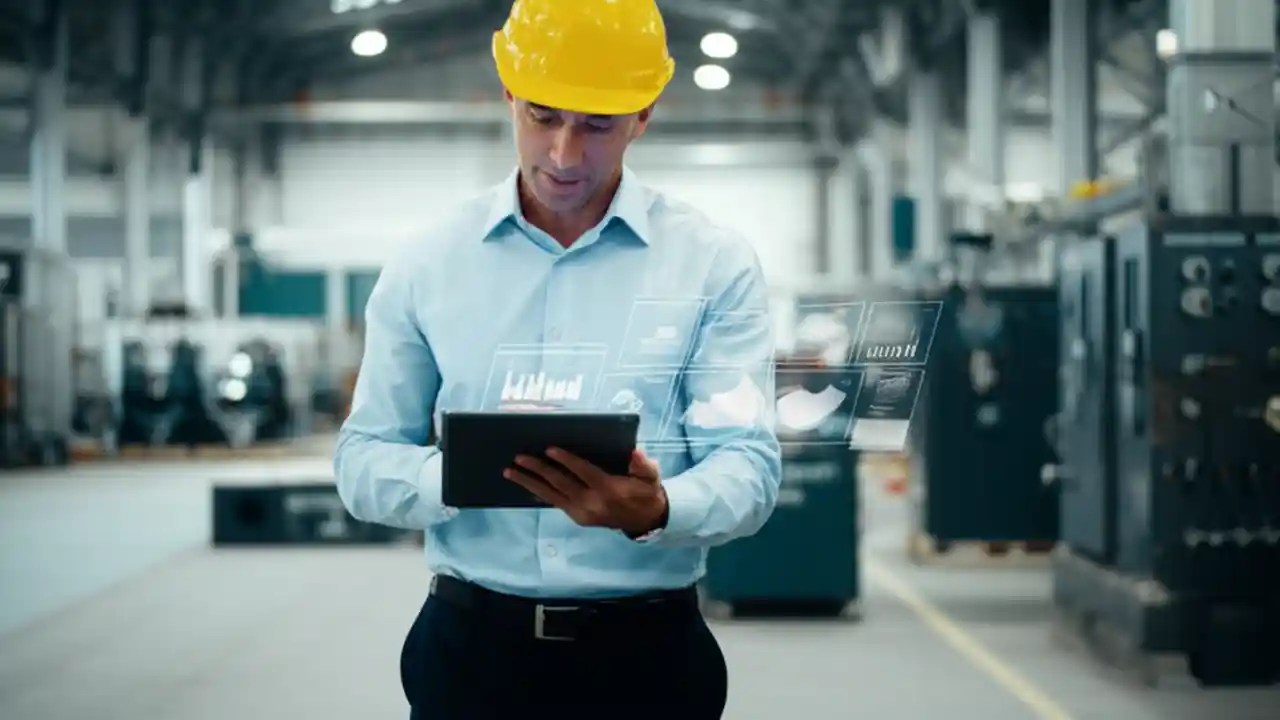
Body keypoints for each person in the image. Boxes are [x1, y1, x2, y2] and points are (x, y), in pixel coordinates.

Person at [333, 0, 782, 716]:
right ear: (508, 93)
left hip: (649, 666)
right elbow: (362, 461)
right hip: (470, 659)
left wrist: (658, 506)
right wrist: (463, 475)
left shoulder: (712, 266)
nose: (565, 155)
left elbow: (749, 467)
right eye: (543, 116)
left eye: (598, 125)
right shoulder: (429, 262)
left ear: (644, 114)